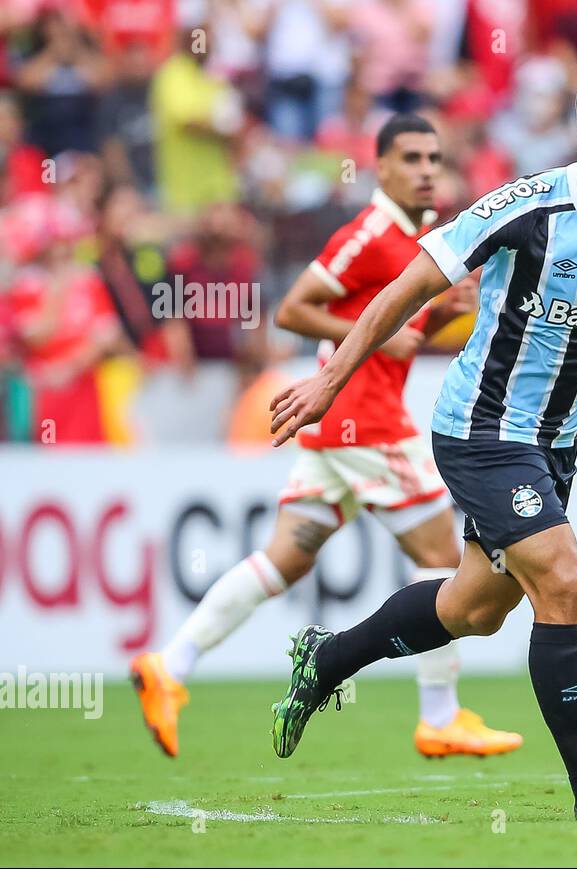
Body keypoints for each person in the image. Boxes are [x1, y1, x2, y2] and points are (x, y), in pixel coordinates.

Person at [266, 64, 577, 821]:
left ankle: (328, 657)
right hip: (480, 429)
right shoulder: (524, 208)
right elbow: (404, 289)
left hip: (554, 444)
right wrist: (330, 382)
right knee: (563, 579)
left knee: (475, 608)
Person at [129, 114, 522, 761]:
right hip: (363, 421)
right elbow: (293, 308)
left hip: (343, 428)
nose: (428, 170)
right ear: (382, 168)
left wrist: (433, 315)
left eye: (434, 158)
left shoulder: (418, 238)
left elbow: (401, 324)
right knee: (444, 559)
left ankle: (170, 664)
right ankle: (439, 715)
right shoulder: (370, 233)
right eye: (413, 158)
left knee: (283, 559)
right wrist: (373, 329)